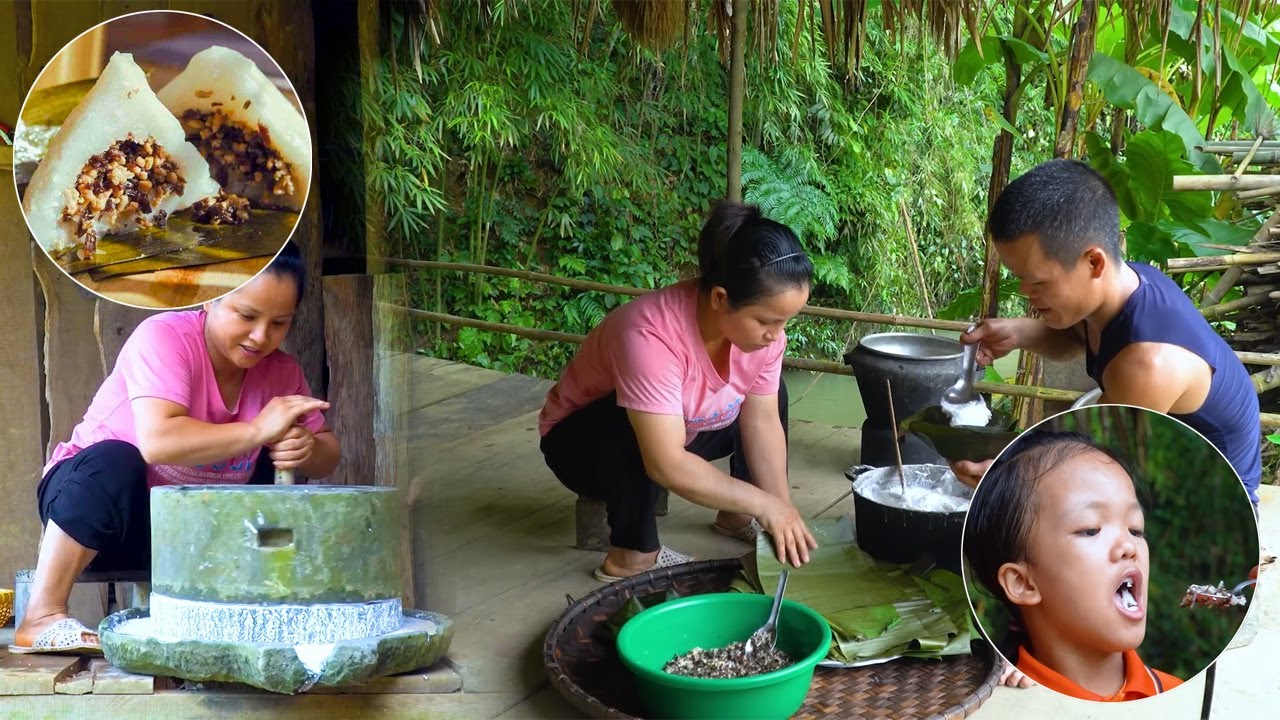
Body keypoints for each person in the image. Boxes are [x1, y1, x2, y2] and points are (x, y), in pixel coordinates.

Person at [9, 241, 340, 655]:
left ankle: (246, 613)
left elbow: (329, 455)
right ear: (208, 299)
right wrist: (257, 429)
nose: (261, 336)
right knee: (116, 459)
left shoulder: (281, 372)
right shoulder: (164, 337)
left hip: (189, 536)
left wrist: (304, 446)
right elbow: (158, 443)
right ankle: (41, 615)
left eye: (279, 323)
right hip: (102, 519)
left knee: (269, 467)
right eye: (247, 315)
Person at [951, 159, 1262, 511]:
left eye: (1038, 282)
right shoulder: (1122, 286)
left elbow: (1089, 460)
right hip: (1164, 464)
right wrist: (1018, 333)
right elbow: (1080, 340)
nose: (1027, 293)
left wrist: (1008, 471)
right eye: (1020, 280)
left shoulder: (1148, 363)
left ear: (1094, 263)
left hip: (1215, 511)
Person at [539, 201, 818, 582]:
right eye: (766, 320)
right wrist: (764, 502)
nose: (777, 334)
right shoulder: (649, 335)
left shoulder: (765, 339)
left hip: (684, 429)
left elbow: (763, 421)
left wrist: (780, 512)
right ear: (720, 298)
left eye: (786, 320)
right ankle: (632, 555)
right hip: (586, 446)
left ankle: (737, 516)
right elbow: (665, 462)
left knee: (771, 395)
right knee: (627, 420)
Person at [964, 429, 1183, 701]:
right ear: (1023, 583)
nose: (1128, 546)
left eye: (1136, 529)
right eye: (1091, 529)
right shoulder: (993, 705)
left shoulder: (1187, 699)